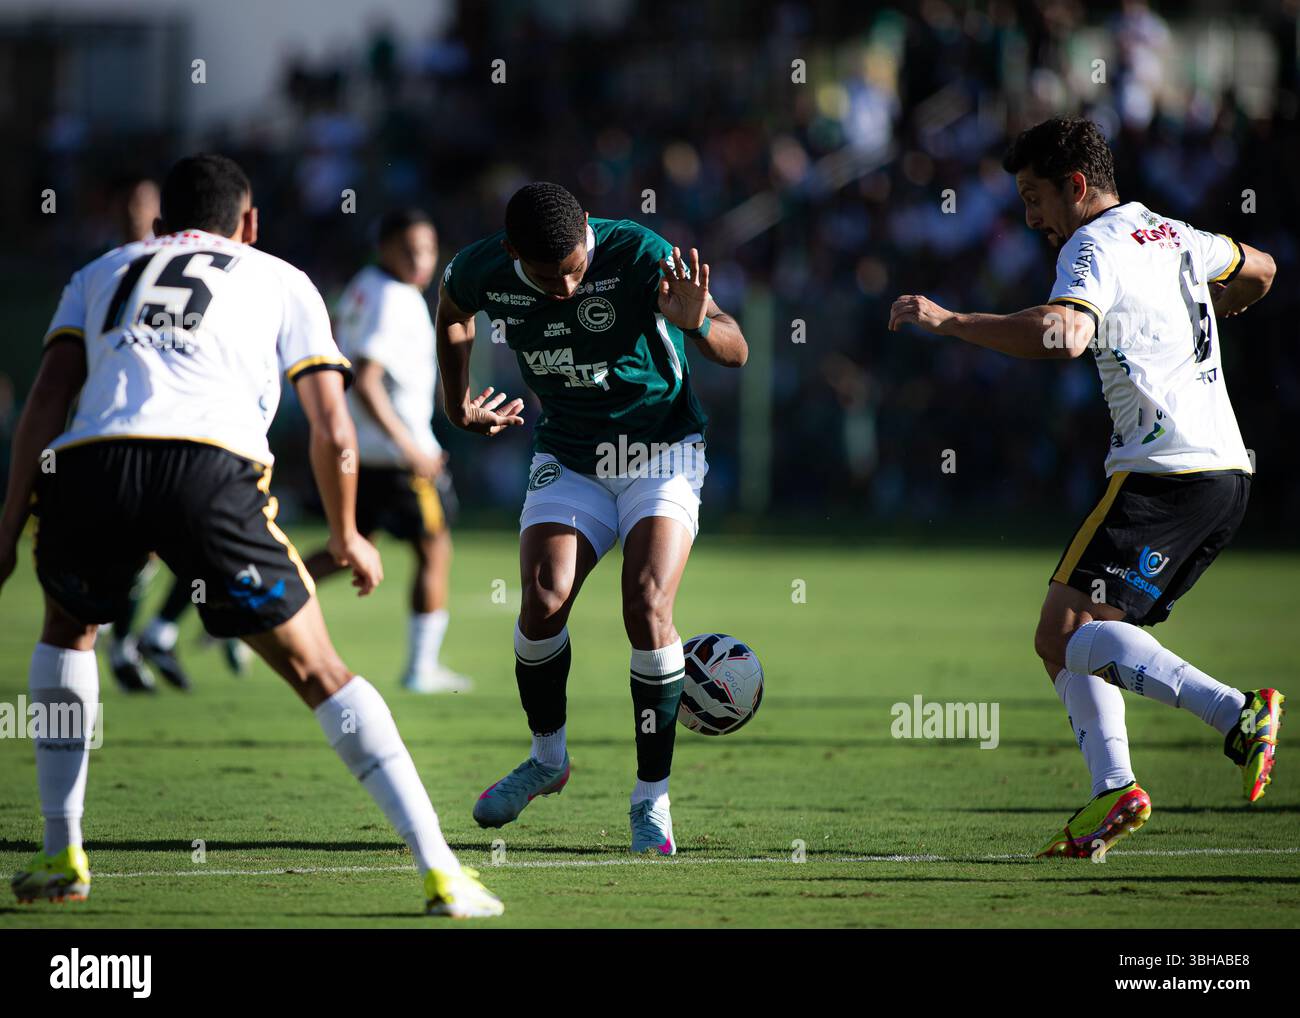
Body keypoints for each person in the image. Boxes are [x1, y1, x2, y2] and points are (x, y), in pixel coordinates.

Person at [0, 154, 502, 916]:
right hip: (210, 471)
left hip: (91, 467)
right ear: (251, 223)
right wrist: (345, 534)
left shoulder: (99, 271)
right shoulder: (280, 276)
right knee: (319, 671)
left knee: (68, 634)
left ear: (160, 225)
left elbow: (44, 400)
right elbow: (332, 424)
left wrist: (7, 528)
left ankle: (61, 850)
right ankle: (441, 872)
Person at [888, 116, 1282, 858]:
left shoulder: (1091, 245)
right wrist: (1214, 315)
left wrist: (952, 320)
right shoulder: (1172, 233)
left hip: (1163, 472)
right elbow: (1260, 266)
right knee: (1071, 637)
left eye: (1036, 197)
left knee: (1057, 634)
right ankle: (1114, 791)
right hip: (1224, 471)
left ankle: (1237, 714)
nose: (1031, 216)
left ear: (1075, 186)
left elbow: (1063, 335)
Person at [436, 182, 747, 855]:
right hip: (571, 456)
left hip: (661, 451)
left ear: (589, 239)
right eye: (551, 276)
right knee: (542, 601)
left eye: (578, 268)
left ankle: (651, 801)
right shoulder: (481, 267)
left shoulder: (640, 252)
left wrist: (695, 322)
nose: (569, 286)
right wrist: (456, 403)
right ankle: (548, 759)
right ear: (516, 254)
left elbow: (736, 348)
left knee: (645, 602)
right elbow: (454, 307)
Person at [303, 208, 470, 693]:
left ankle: (256, 604)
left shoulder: (365, 285)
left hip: (358, 450)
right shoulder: (394, 298)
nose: (421, 259)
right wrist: (411, 446)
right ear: (386, 248)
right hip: (396, 456)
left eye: (428, 248)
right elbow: (367, 380)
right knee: (434, 548)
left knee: (349, 547)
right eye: (409, 249)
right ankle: (422, 668)